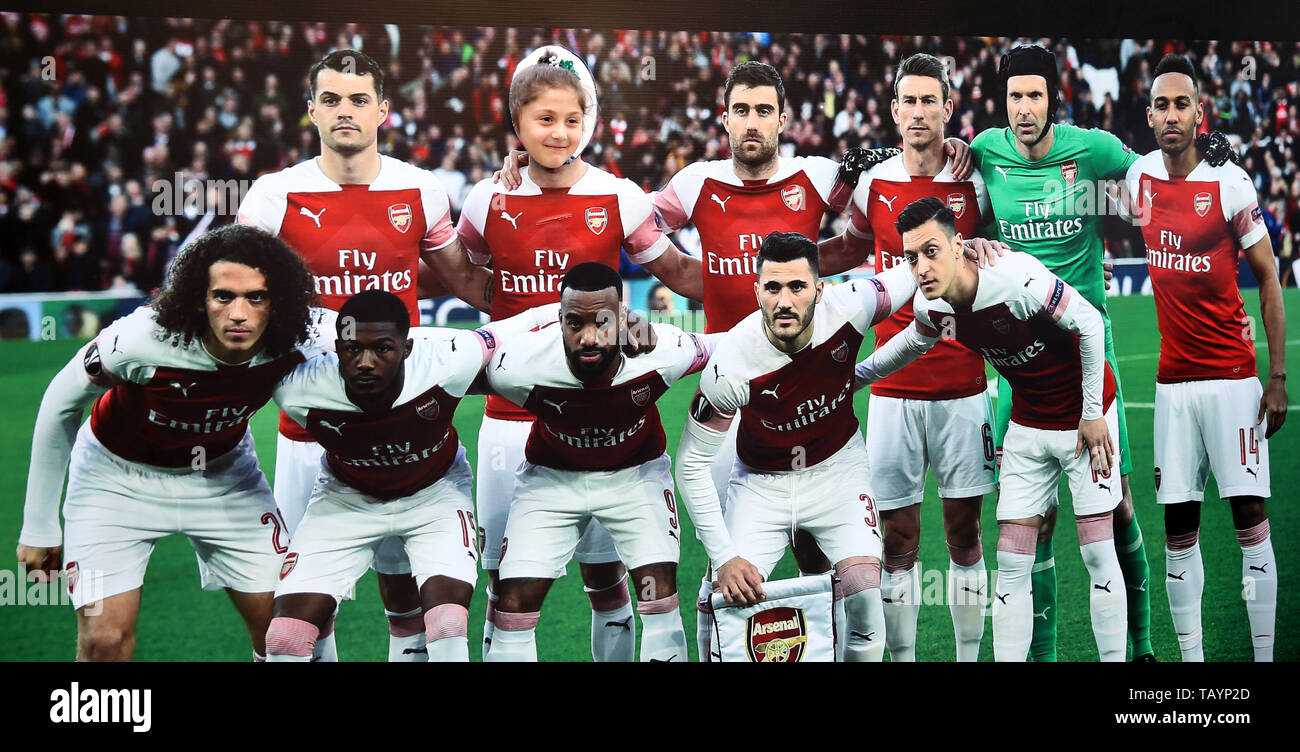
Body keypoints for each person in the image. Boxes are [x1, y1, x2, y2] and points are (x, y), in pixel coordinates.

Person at [237, 49, 492, 662]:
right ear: (311, 112)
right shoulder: (276, 196)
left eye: (357, 99)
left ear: (383, 109)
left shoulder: (420, 189)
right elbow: (236, 292)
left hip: (403, 416)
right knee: (301, 609)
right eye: (330, 99)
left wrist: (567, 307)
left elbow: (467, 282)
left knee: (406, 590)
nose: (344, 111)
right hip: (309, 428)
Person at [458, 46, 703, 662]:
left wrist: (763, 285)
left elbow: (677, 271)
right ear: (517, 122)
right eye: (543, 118)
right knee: (506, 588)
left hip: (602, 420)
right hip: (512, 424)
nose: (559, 131)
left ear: (589, 121)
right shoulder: (488, 198)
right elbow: (462, 279)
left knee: (605, 581)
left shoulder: (619, 196)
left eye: (572, 118)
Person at [17, 224, 321, 661]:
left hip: (224, 477)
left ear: (279, 301)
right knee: (104, 642)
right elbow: (62, 402)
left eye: (256, 297)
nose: (239, 313)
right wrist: (39, 526)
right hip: (115, 480)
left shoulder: (299, 337)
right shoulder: (143, 338)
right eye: (223, 296)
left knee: (283, 631)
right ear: (199, 297)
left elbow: (394, 341)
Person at [854, 197, 1128, 661]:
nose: (921, 267)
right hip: (1027, 422)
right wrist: (854, 378)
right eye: (911, 257)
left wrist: (1091, 415)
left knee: (1098, 554)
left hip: (1086, 418)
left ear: (959, 245)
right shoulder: (932, 306)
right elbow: (908, 346)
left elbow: (1088, 323)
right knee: (1013, 562)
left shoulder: (1013, 277)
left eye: (931, 251)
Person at [969, 43, 1153, 661]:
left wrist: (1187, 169)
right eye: (1014, 97)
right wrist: (971, 240)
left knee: (1119, 507)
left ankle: (1142, 645)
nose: (1024, 109)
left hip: (1084, 355)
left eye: (1035, 96)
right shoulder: (985, 151)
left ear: (1055, 99)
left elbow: (1144, 179)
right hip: (1017, 369)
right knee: (1027, 521)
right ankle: (1041, 657)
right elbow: (956, 205)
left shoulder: (1092, 149)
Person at [676, 230, 932, 662]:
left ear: (820, 288)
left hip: (839, 471)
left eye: (797, 286)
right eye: (772, 287)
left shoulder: (856, 302)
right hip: (761, 484)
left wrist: (965, 251)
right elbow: (690, 464)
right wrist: (723, 557)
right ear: (756, 290)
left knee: (866, 598)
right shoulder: (731, 362)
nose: (784, 301)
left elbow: (921, 267)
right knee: (724, 594)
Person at [817, 52, 996, 661]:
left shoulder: (978, 180)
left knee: (965, 532)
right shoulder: (873, 184)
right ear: (893, 111)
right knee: (896, 539)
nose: (919, 112)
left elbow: (1003, 247)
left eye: (930, 101)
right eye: (908, 101)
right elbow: (844, 246)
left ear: (949, 107)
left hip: (965, 383)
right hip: (892, 388)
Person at [264, 291, 549, 662]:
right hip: (345, 498)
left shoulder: (447, 360)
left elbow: (508, 330)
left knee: (447, 623)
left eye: (382, 348)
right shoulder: (297, 388)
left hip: (436, 495)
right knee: (285, 638)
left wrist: (564, 310)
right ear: (336, 349)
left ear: (408, 348)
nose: (365, 362)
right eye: (352, 350)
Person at [1122, 54, 1285, 661]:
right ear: (1149, 115)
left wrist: (1277, 376)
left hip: (1233, 381)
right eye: (1161, 105)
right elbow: (1076, 160)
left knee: (1250, 522)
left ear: (1199, 113)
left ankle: (1263, 658)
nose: (1171, 114)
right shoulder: (1137, 178)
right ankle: (1192, 665)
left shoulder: (1230, 182)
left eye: (1181, 104)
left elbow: (1268, 275)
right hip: (1172, 388)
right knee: (1178, 532)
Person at [483, 262, 715, 662]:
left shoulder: (663, 352)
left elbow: (731, 347)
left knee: (657, 589)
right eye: (575, 323)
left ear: (623, 317)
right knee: (513, 601)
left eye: (603, 322)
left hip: (635, 475)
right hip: (551, 481)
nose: (589, 337)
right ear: (559, 321)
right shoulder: (518, 364)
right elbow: (440, 372)